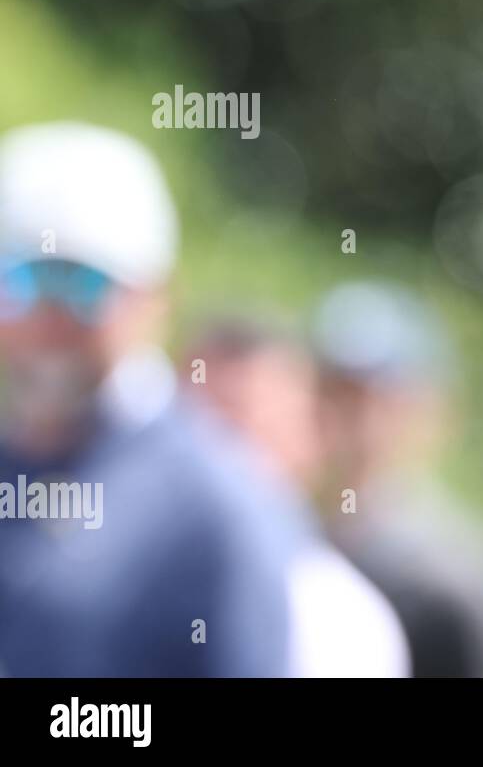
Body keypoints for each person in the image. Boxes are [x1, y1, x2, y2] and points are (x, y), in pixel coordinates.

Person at [0, 122, 408, 677]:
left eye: (82, 284)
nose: (48, 321)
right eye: (18, 278)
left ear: (153, 296)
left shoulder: (219, 510)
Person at [311, 281, 483, 676]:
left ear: (432, 411)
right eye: (333, 390)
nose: (351, 417)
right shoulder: (282, 533)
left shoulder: (461, 580)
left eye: (374, 397)